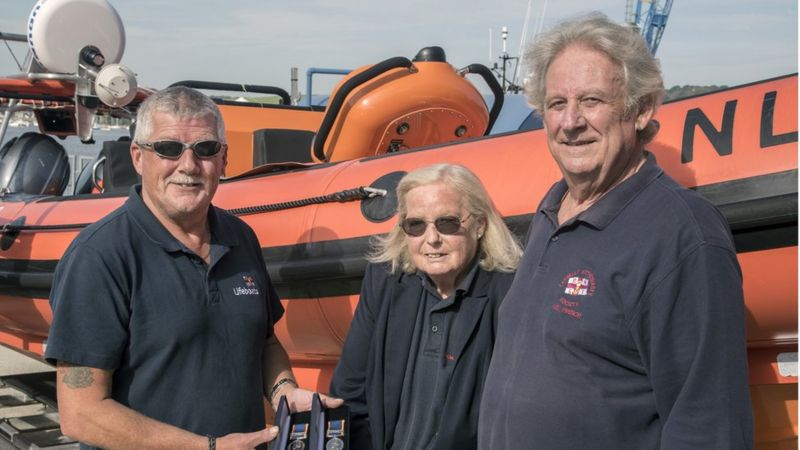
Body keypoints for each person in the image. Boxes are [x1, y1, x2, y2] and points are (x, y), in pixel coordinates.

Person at [478, 12, 754, 449]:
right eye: (556, 104)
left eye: (591, 101)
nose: (570, 122)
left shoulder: (683, 237)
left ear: (641, 109)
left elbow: (709, 426)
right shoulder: (552, 211)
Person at [45, 86, 341, 450]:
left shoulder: (240, 238)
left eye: (205, 149)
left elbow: (263, 340)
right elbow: (81, 413)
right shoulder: (100, 257)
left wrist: (284, 391)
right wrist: (206, 447)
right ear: (138, 157)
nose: (188, 165)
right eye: (169, 149)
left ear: (223, 159)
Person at [330, 163, 522, 450]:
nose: (431, 239)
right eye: (416, 225)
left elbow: (516, 414)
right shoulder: (385, 282)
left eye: (447, 223)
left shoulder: (510, 293)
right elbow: (350, 393)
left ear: (480, 225)